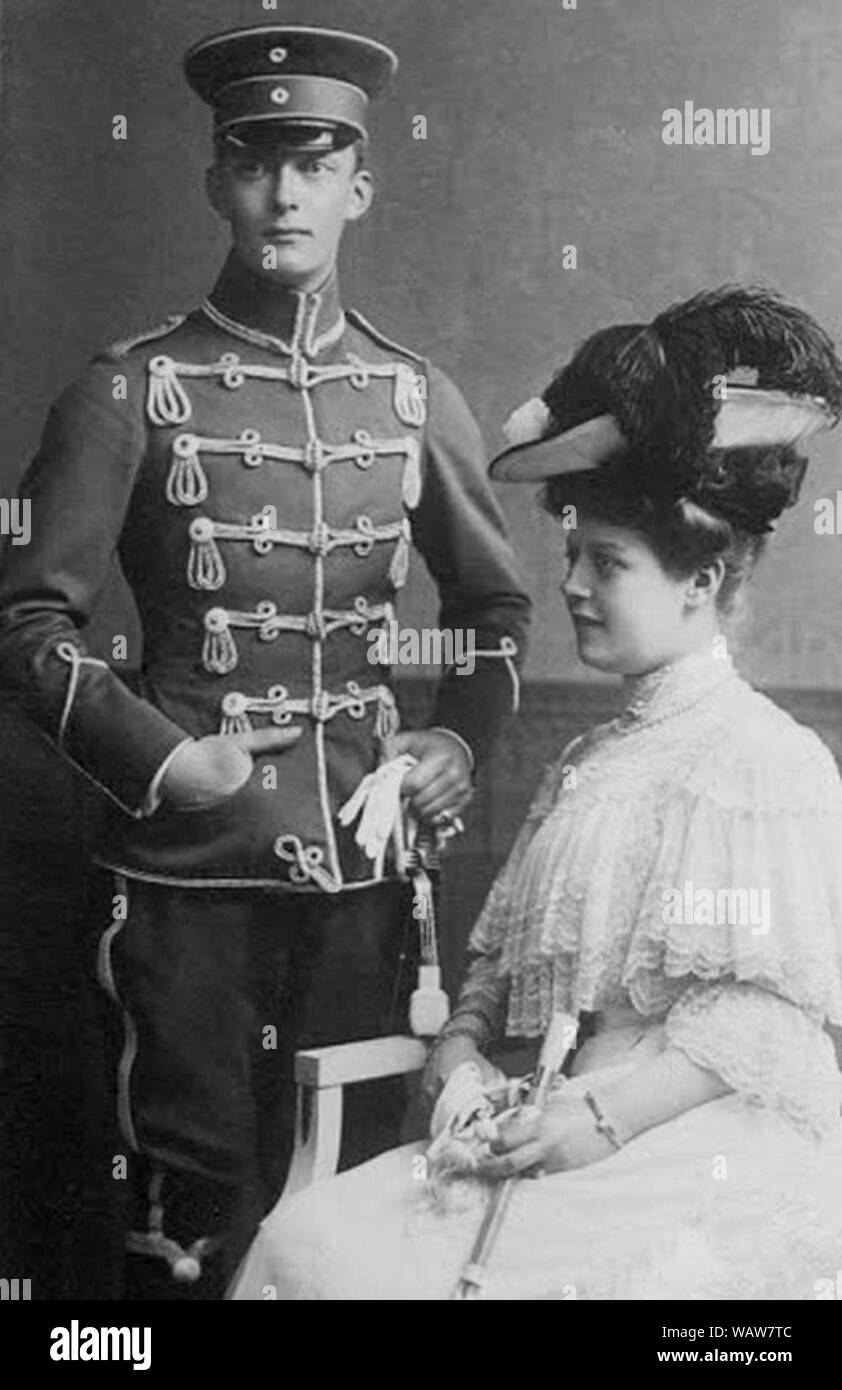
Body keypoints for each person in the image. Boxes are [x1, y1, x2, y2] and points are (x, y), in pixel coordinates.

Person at [0, 25, 529, 1298]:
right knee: (193, 1197)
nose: (283, 194)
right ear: (215, 180)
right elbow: (25, 620)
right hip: (182, 878)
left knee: (358, 1185)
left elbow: (495, 615)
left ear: (359, 185)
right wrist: (164, 758)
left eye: (314, 163)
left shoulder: (413, 398)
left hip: (363, 869)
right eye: (254, 162)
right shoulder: (131, 389)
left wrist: (453, 741)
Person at [231, 286, 842, 1300]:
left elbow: (762, 1027)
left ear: (702, 579)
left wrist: (593, 1122)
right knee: (311, 1246)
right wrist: (464, 1060)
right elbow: (492, 980)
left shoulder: (763, 765)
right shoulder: (587, 761)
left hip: (691, 1140)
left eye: (607, 562)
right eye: (571, 556)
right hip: (541, 1119)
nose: (569, 585)